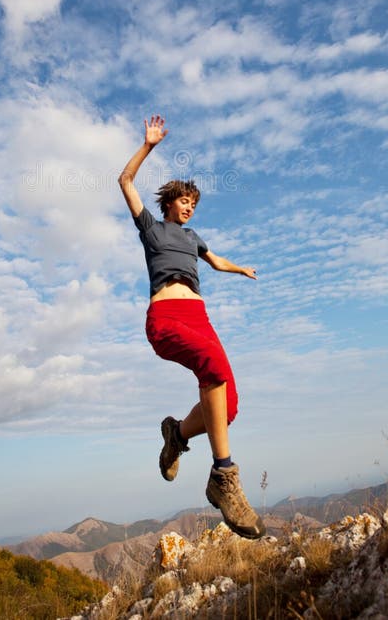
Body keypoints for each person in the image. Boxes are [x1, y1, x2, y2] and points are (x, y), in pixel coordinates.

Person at [118, 114, 265, 539]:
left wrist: (239, 269)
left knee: (228, 405)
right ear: (169, 202)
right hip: (166, 319)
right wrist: (148, 146)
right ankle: (224, 476)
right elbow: (125, 181)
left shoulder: (194, 236)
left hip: (200, 318)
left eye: (194, 204)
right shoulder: (151, 228)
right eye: (184, 201)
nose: (189, 207)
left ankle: (176, 434)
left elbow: (214, 260)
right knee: (213, 368)